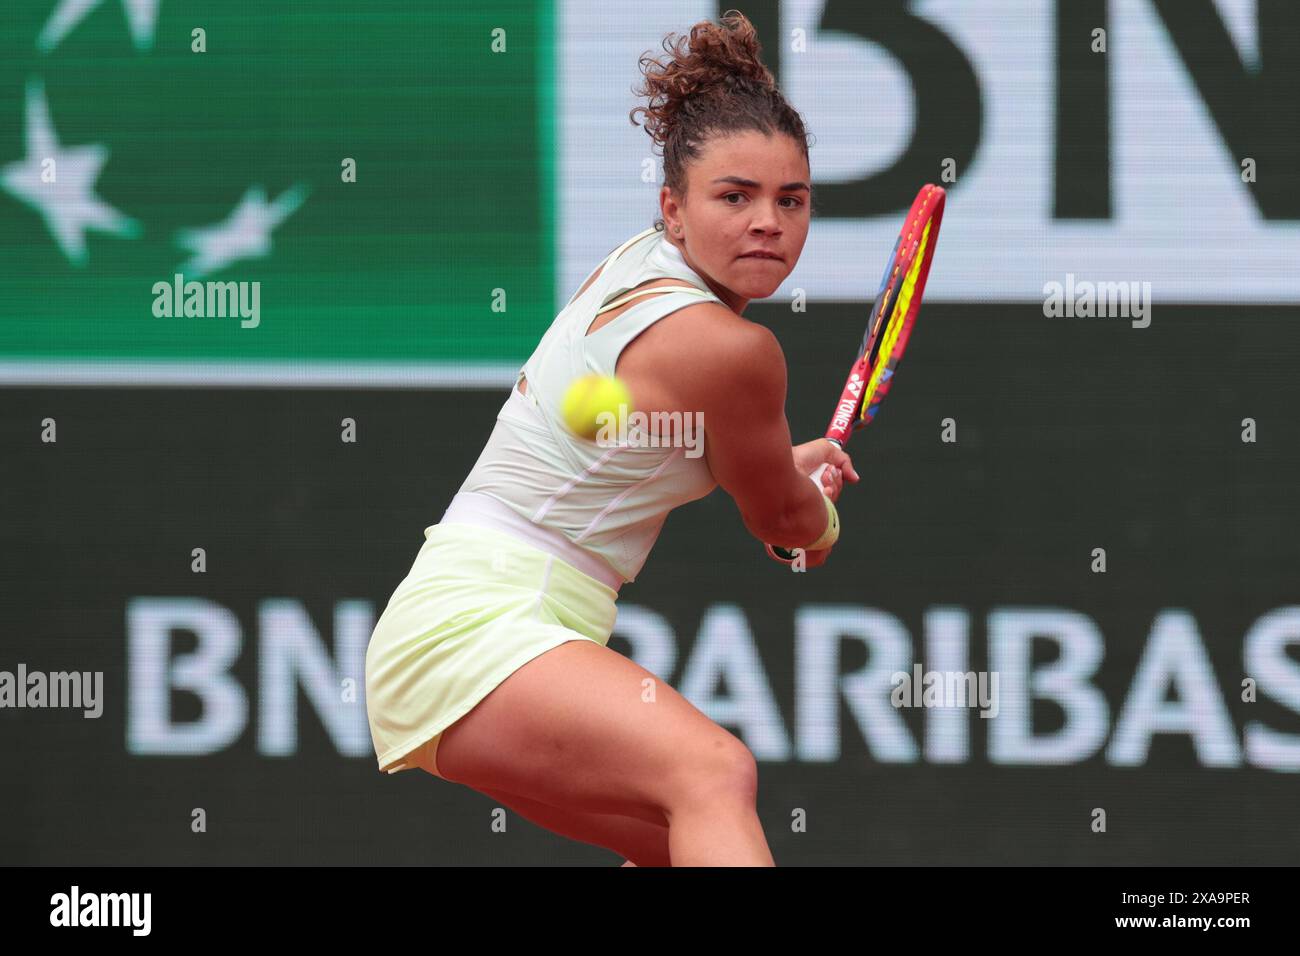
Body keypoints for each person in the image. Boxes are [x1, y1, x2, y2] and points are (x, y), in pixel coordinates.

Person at [364, 9, 858, 867]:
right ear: (673, 207)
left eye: (791, 199)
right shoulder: (732, 349)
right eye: (733, 197)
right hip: (480, 621)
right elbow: (782, 524)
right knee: (713, 775)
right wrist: (813, 518)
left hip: (477, 617)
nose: (768, 222)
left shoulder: (641, 266)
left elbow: (683, 443)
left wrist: (783, 475)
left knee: (680, 843)